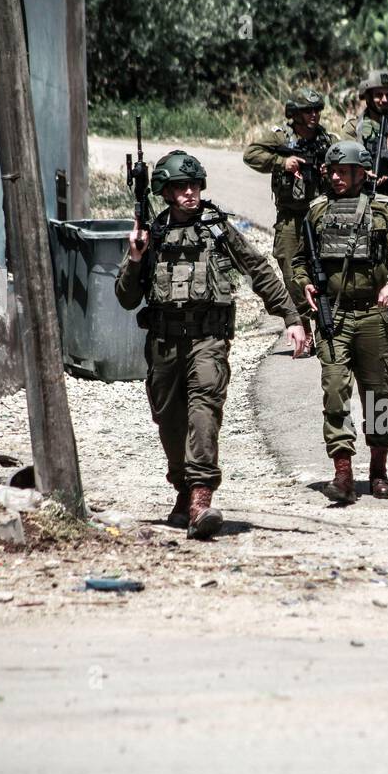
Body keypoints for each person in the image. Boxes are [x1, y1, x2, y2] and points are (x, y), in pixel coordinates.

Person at [115, 150, 308, 536]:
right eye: (180, 187)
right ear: (166, 192)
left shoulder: (218, 229)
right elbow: (125, 297)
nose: (190, 192)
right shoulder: (150, 233)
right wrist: (136, 258)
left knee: (203, 415)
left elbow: (259, 269)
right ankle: (183, 491)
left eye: (194, 185)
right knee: (169, 422)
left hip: (208, 339)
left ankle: (202, 499)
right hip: (164, 344)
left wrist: (291, 316)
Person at [291, 140, 388, 504]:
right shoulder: (316, 211)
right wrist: (305, 283)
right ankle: (342, 473)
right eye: (331, 171)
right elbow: (299, 260)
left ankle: (378, 470)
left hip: (373, 316)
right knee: (334, 389)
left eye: (342, 171)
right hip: (335, 316)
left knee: (377, 396)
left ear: (361, 173)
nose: (335, 177)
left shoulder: (384, 209)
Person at [242, 88, 335, 349]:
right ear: (294, 113)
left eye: (317, 110)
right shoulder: (281, 136)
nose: (314, 115)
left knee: (324, 270)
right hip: (290, 218)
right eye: (308, 110)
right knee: (291, 271)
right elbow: (251, 155)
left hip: (320, 215)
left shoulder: (326, 140)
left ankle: (326, 325)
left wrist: (330, 170)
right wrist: (282, 162)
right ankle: (303, 328)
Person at [342, 69, 388, 231]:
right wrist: (363, 173)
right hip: (363, 196)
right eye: (378, 95)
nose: (384, 99)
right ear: (366, 96)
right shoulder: (353, 127)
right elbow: (344, 158)